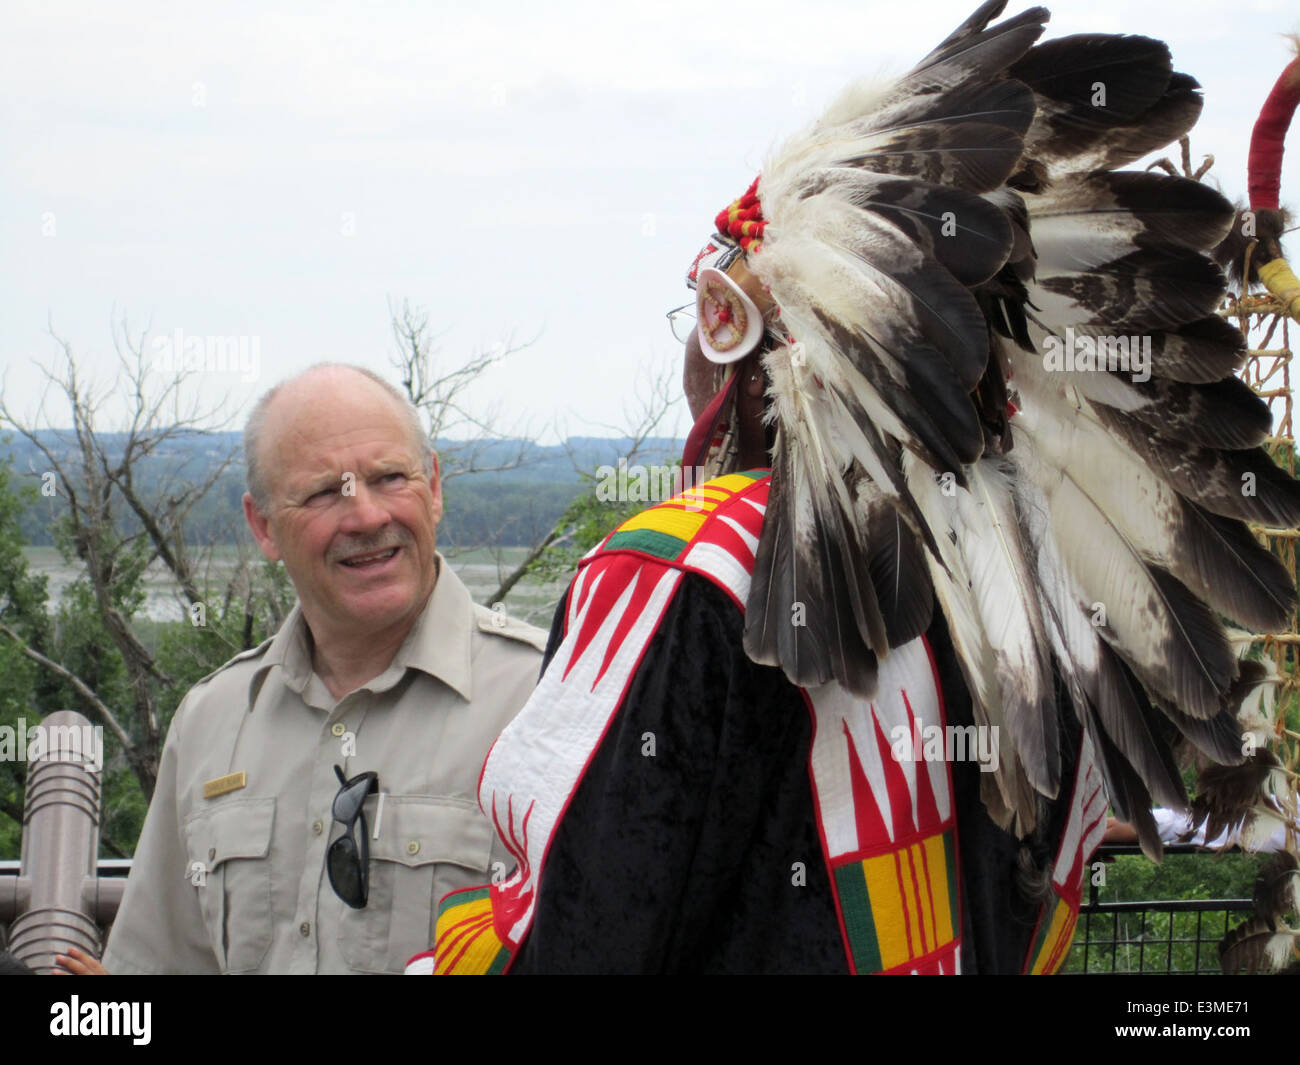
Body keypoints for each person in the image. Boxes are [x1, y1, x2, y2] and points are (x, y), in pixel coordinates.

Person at [418, 1, 1295, 975]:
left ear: (739, 341)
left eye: (701, 314)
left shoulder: (677, 573)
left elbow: (569, 936)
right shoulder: (1057, 608)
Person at [98, 363, 545, 974]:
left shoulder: (546, 703)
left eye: (390, 477)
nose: (364, 517)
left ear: (434, 486)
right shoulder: (212, 721)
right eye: (322, 493)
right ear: (263, 527)